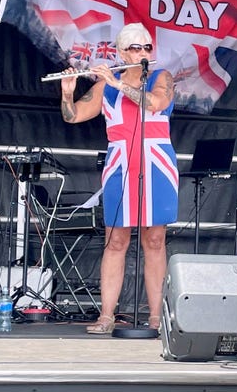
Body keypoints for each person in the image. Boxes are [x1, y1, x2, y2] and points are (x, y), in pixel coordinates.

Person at [60, 23, 178, 334]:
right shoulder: (105, 85)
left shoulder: (161, 77)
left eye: (147, 48)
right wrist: (68, 95)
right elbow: (74, 116)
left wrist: (116, 81)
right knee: (116, 240)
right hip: (119, 161)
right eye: (135, 48)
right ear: (120, 51)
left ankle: (156, 317)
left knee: (154, 241)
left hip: (156, 159)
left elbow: (155, 103)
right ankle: (107, 316)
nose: (143, 53)